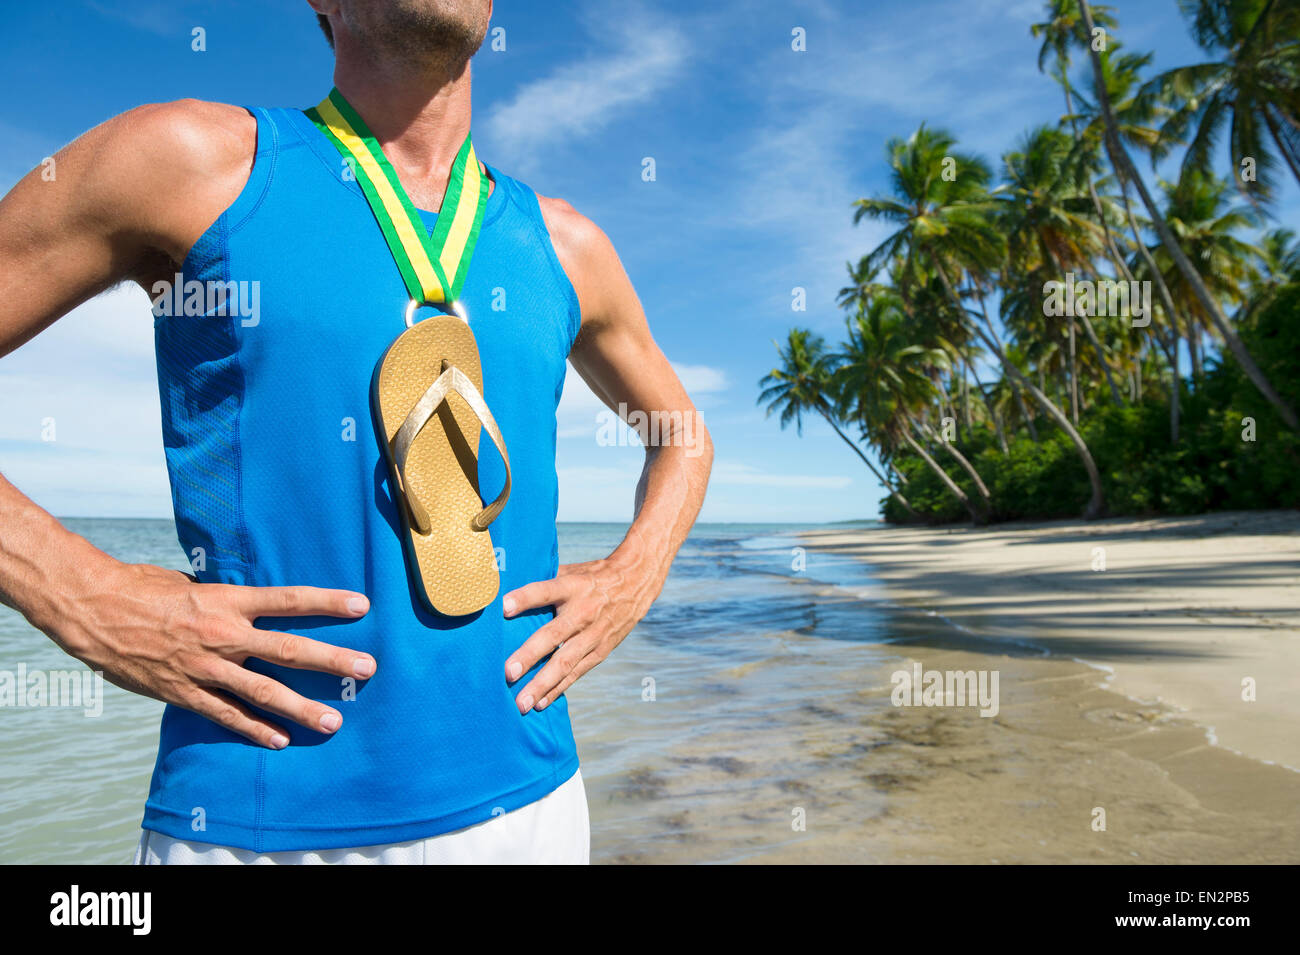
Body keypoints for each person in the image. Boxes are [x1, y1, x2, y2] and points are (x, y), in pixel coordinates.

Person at [0, 0, 711, 864]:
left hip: (536, 804)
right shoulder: (190, 163)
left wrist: (633, 577)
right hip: (260, 825)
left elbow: (682, 434)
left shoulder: (567, 246)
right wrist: (82, 592)